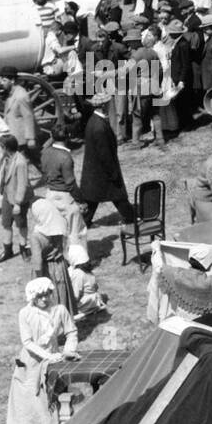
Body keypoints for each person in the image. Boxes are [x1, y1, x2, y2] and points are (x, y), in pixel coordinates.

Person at [6, 277, 78, 424]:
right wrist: (47, 356)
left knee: (50, 393)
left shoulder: (60, 310)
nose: (44, 299)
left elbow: (71, 332)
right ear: (33, 297)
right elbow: (27, 342)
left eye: (47, 294)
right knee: (26, 394)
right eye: (40, 296)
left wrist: (68, 350)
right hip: (30, 360)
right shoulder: (25, 313)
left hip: (52, 359)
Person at [80, 93, 136, 227]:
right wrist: (113, 172)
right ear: (104, 106)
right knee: (118, 195)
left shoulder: (93, 121)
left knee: (92, 198)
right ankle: (132, 218)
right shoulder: (99, 127)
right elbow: (104, 153)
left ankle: (85, 222)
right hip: (104, 170)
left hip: (95, 170)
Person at [0, 134, 36, 263]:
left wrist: (18, 203)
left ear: (6, 148)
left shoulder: (20, 162)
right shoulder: (7, 158)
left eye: (1, 147)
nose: (0, 149)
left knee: (21, 225)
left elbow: (22, 184)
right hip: (7, 195)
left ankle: (23, 248)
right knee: (6, 223)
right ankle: (7, 250)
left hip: (18, 198)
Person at [0, 69, 37, 156]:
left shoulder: (21, 96)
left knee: (20, 160)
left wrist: (30, 138)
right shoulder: (11, 93)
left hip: (20, 138)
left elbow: (28, 116)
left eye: (4, 80)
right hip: (12, 136)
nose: (1, 83)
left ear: (12, 81)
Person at [66, 243, 108, 317]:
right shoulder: (87, 271)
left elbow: (76, 295)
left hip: (86, 302)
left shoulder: (77, 273)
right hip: (93, 300)